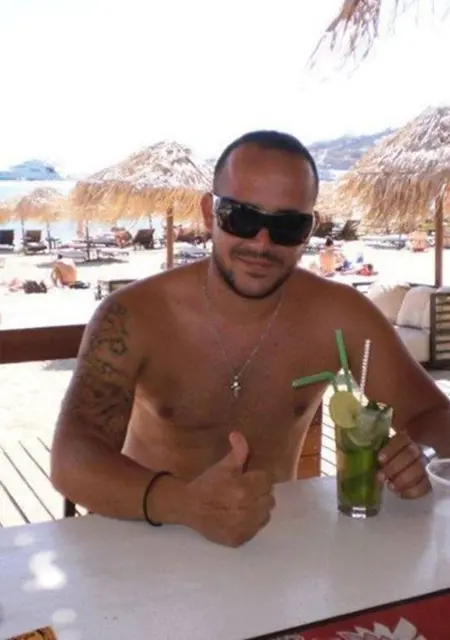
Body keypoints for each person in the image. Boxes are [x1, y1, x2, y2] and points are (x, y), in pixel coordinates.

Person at [51, 130, 450, 548]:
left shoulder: (340, 314)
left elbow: (434, 415)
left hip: (269, 545)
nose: (262, 243)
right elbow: (73, 459)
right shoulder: (133, 315)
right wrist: (186, 504)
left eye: (287, 225)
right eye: (240, 217)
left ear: (309, 229)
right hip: (147, 537)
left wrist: (418, 456)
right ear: (209, 213)